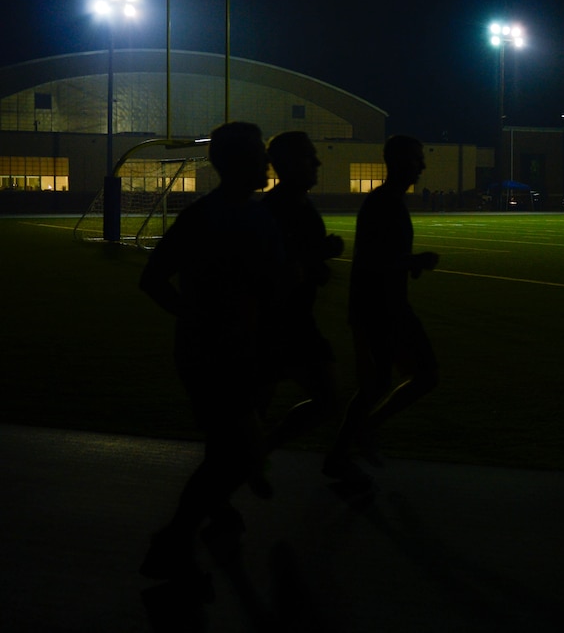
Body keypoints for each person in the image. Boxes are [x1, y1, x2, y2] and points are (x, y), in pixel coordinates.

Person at [137, 121, 286, 580]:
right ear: (237, 162)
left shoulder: (258, 215)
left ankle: (206, 519)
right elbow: (152, 278)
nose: (267, 161)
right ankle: (173, 542)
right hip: (213, 357)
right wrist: (196, 319)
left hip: (245, 352)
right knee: (234, 452)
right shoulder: (204, 217)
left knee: (227, 452)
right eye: (260, 153)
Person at [323, 135, 440, 485]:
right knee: (416, 376)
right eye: (418, 158)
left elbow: (382, 259)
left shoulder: (389, 202)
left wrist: (409, 264)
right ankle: (361, 433)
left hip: (385, 305)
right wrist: (412, 261)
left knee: (380, 383)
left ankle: (344, 448)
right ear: (401, 161)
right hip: (380, 308)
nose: (423, 165)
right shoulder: (384, 204)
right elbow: (373, 262)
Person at [259, 130, 344, 453]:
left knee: (328, 398)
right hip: (274, 325)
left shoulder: (302, 206)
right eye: (310, 156)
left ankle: (259, 452)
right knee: (250, 412)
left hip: (296, 322)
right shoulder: (276, 211)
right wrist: (319, 255)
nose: (318, 162)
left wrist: (318, 264)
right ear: (291, 163)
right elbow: (278, 269)